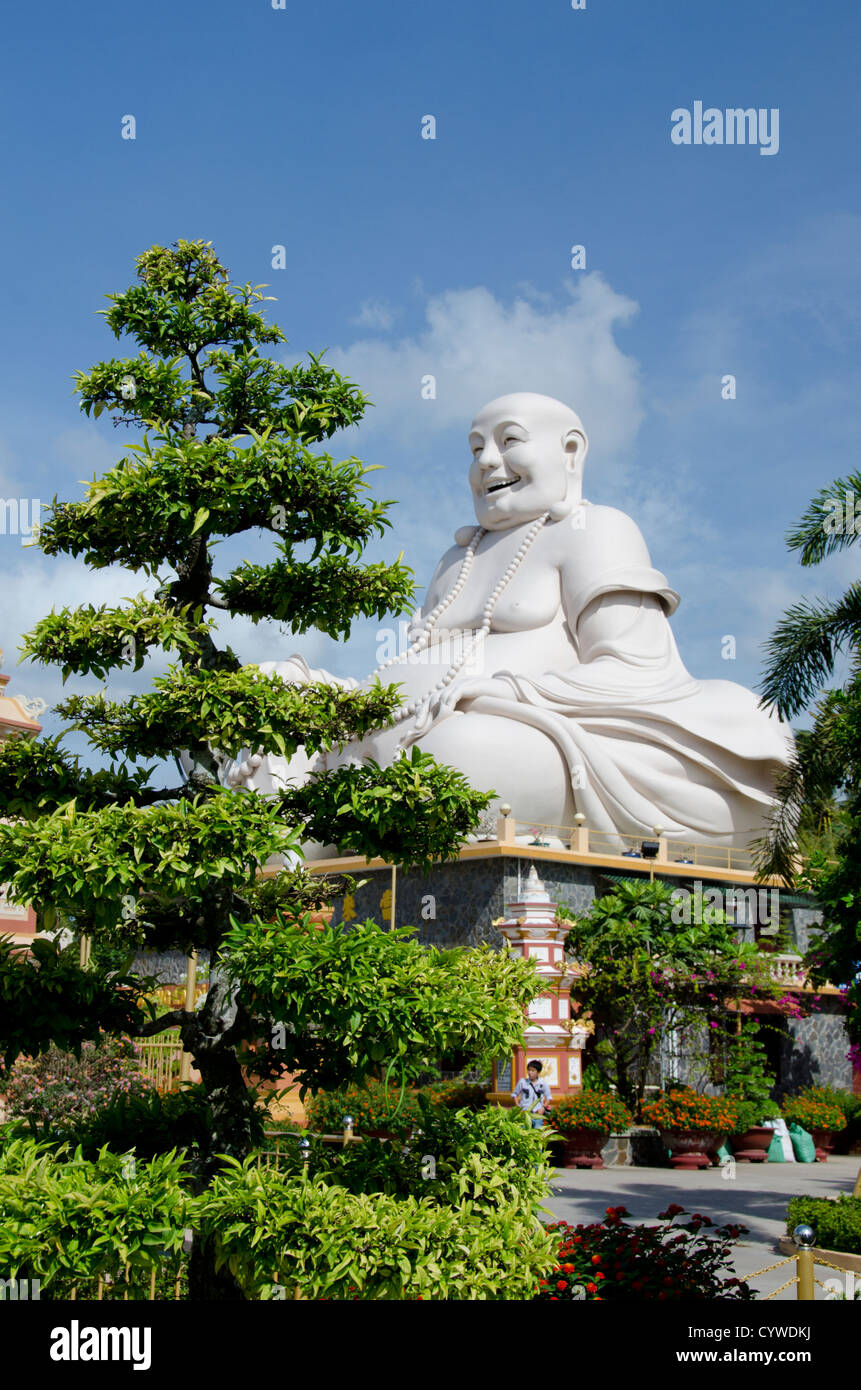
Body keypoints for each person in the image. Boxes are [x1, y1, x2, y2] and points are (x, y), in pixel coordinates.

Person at [226, 392, 794, 849]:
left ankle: (312, 835)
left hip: (527, 730)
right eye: (475, 449)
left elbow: (636, 671)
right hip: (400, 722)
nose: (486, 461)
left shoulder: (594, 529)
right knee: (265, 690)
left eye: (509, 441)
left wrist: (500, 691)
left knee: (453, 758)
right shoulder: (457, 558)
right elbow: (413, 661)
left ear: (570, 452)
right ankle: (289, 849)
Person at [512, 1060, 552, 1128]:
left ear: (538, 1072)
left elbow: (549, 1097)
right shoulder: (522, 1082)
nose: (530, 1073)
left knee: (537, 1133)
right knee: (523, 1133)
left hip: (537, 1114)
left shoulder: (543, 1084)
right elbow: (515, 1094)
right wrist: (518, 1107)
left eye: (532, 1070)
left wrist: (543, 1108)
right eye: (529, 1070)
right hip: (524, 1113)